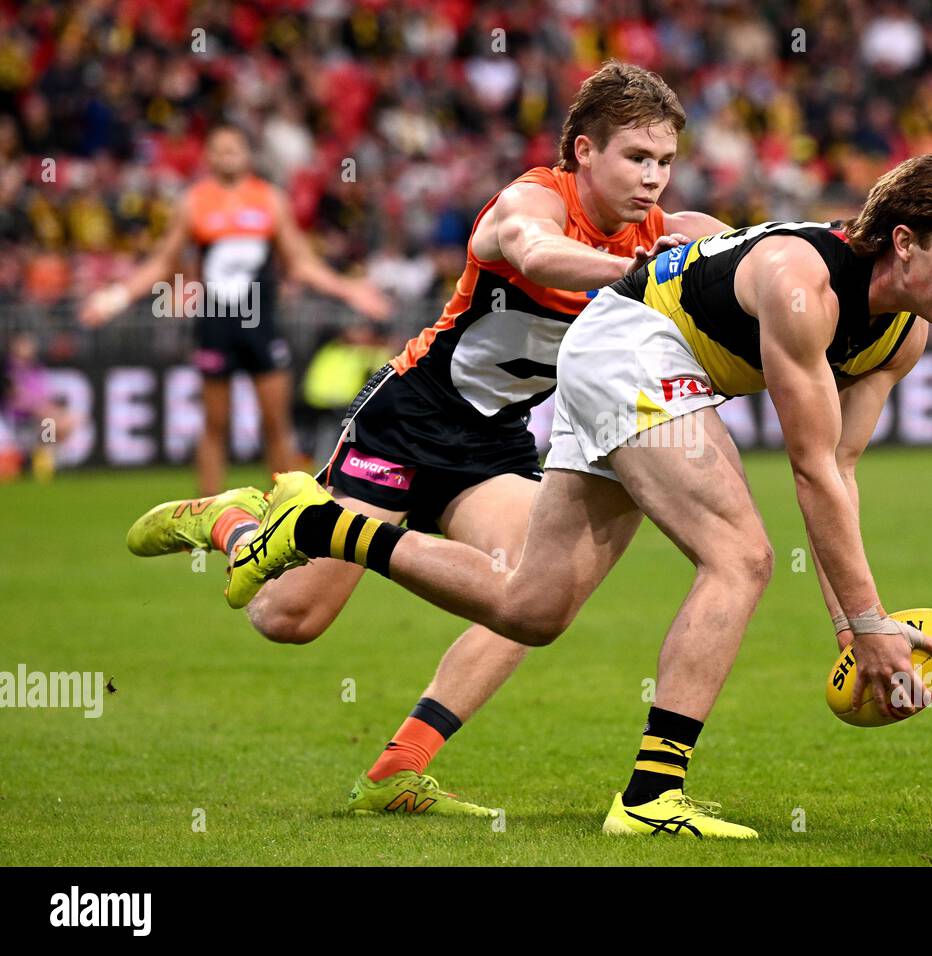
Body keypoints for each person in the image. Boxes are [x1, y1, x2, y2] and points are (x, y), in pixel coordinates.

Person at [221, 155, 932, 838]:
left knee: (532, 609)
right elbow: (809, 474)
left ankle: (323, 527)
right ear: (902, 242)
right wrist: (868, 628)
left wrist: (855, 628)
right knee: (740, 557)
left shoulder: (902, 333)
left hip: (630, 357)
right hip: (633, 344)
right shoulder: (805, 284)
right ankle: (653, 795)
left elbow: (841, 472)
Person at [125, 62, 730, 818]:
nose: (654, 178)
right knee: (287, 619)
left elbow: (754, 259)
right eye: (637, 157)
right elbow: (535, 252)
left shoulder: (668, 235)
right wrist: (627, 271)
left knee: (531, 599)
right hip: (409, 420)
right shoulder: (532, 201)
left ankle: (398, 768)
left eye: (665, 161)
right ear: (584, 150)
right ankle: (233, 520)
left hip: (495, 442)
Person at [81, 123, 391, 496]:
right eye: (218, 148)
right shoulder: (195, 201)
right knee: (214, 426)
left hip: (262, 326)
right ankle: (207, 515)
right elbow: (163, 262)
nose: (226, 154)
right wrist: (115, 297)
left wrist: (349, 290)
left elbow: (300, 263)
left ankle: (289, 513)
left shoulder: (269, 200)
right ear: (208, 156)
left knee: (275, 424)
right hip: (216, 326)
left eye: (233, 147)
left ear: (247, 153)